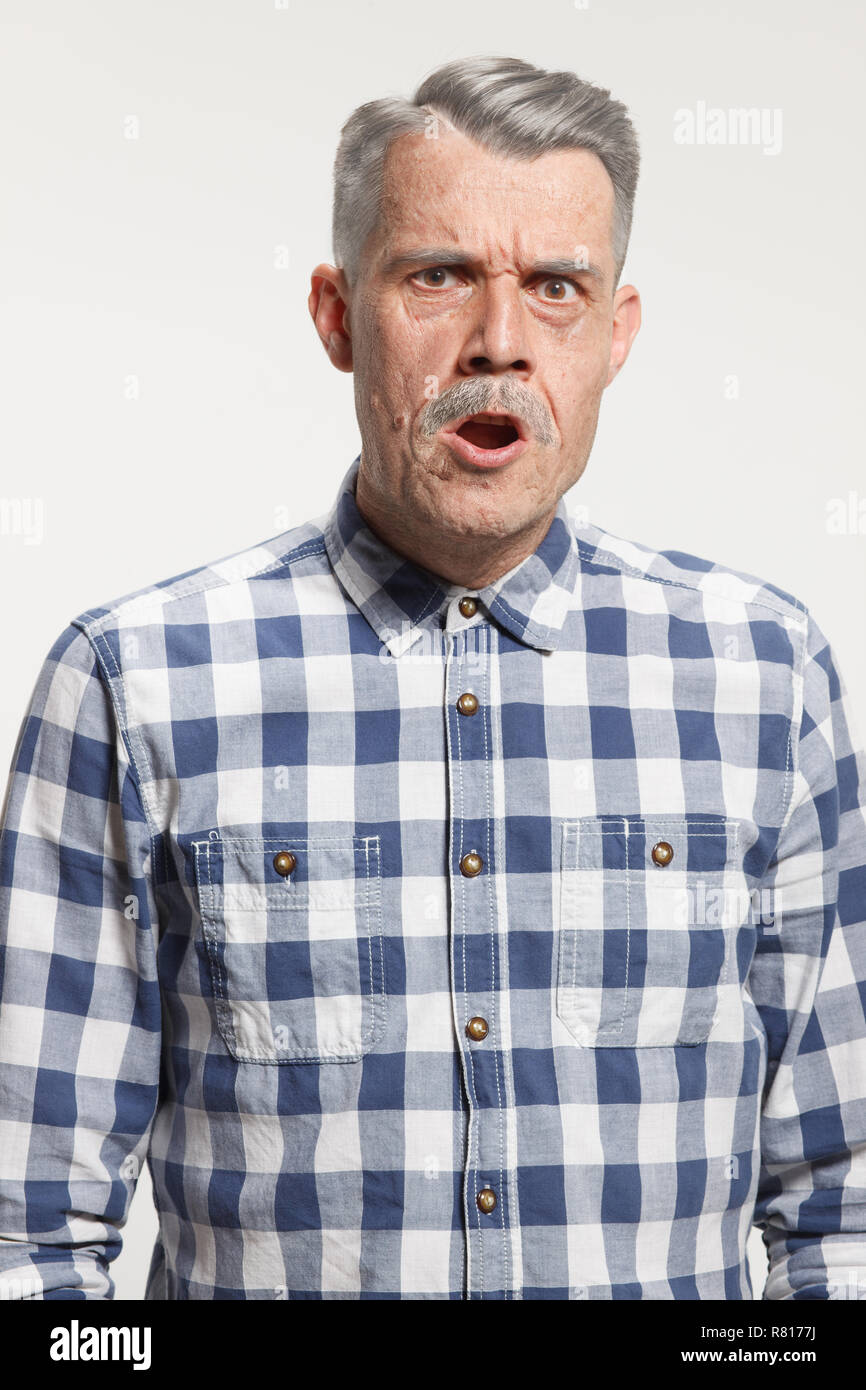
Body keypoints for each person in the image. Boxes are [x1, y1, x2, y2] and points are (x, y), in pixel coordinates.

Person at [1, 54, 865, 1302]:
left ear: (614, 334)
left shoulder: (761, 678)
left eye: (555, 287)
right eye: (438, 275)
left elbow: (839, 1212)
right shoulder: (133, 684)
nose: (498, 342)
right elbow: (31, 1244)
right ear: (338, 312)